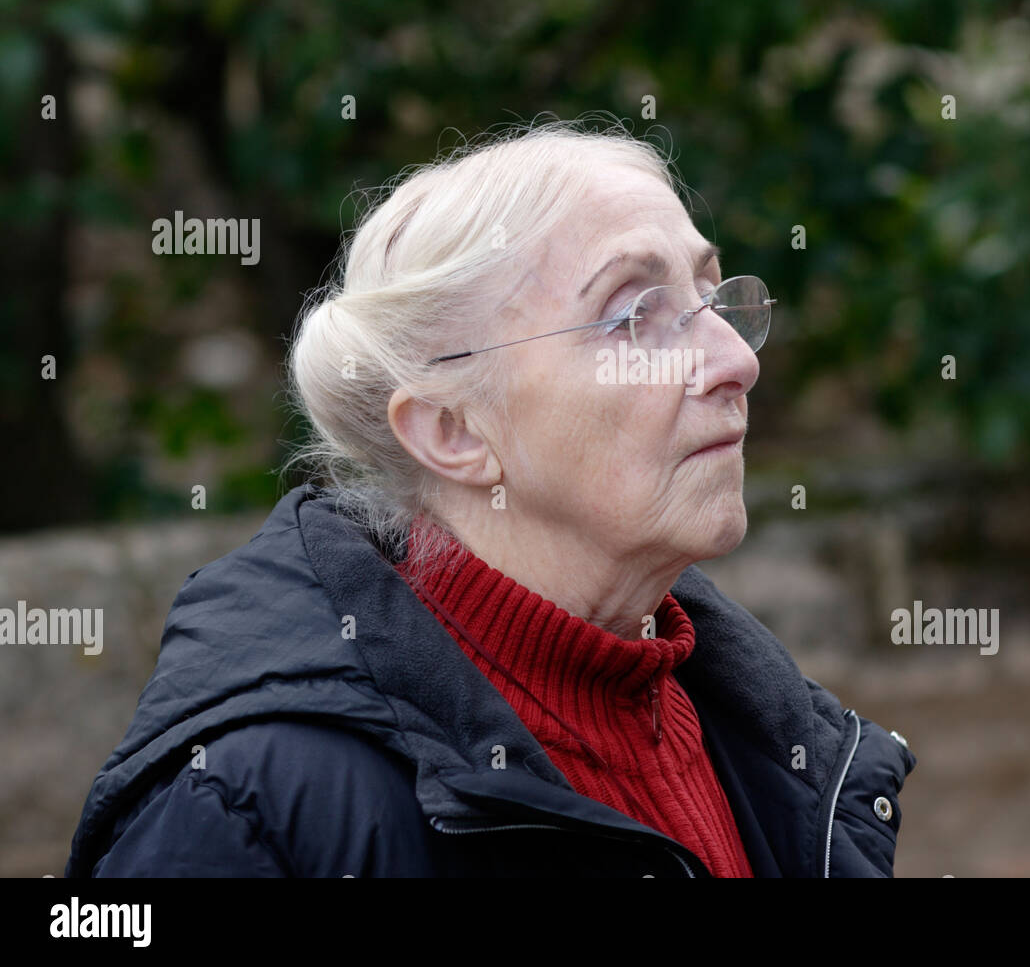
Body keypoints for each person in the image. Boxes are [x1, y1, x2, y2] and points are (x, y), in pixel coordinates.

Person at [65, 118, 916, 877]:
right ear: (454, 431)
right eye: (636, 314)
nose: (736, 360)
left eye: (710, 295)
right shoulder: (249, 805)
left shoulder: (755, 727)